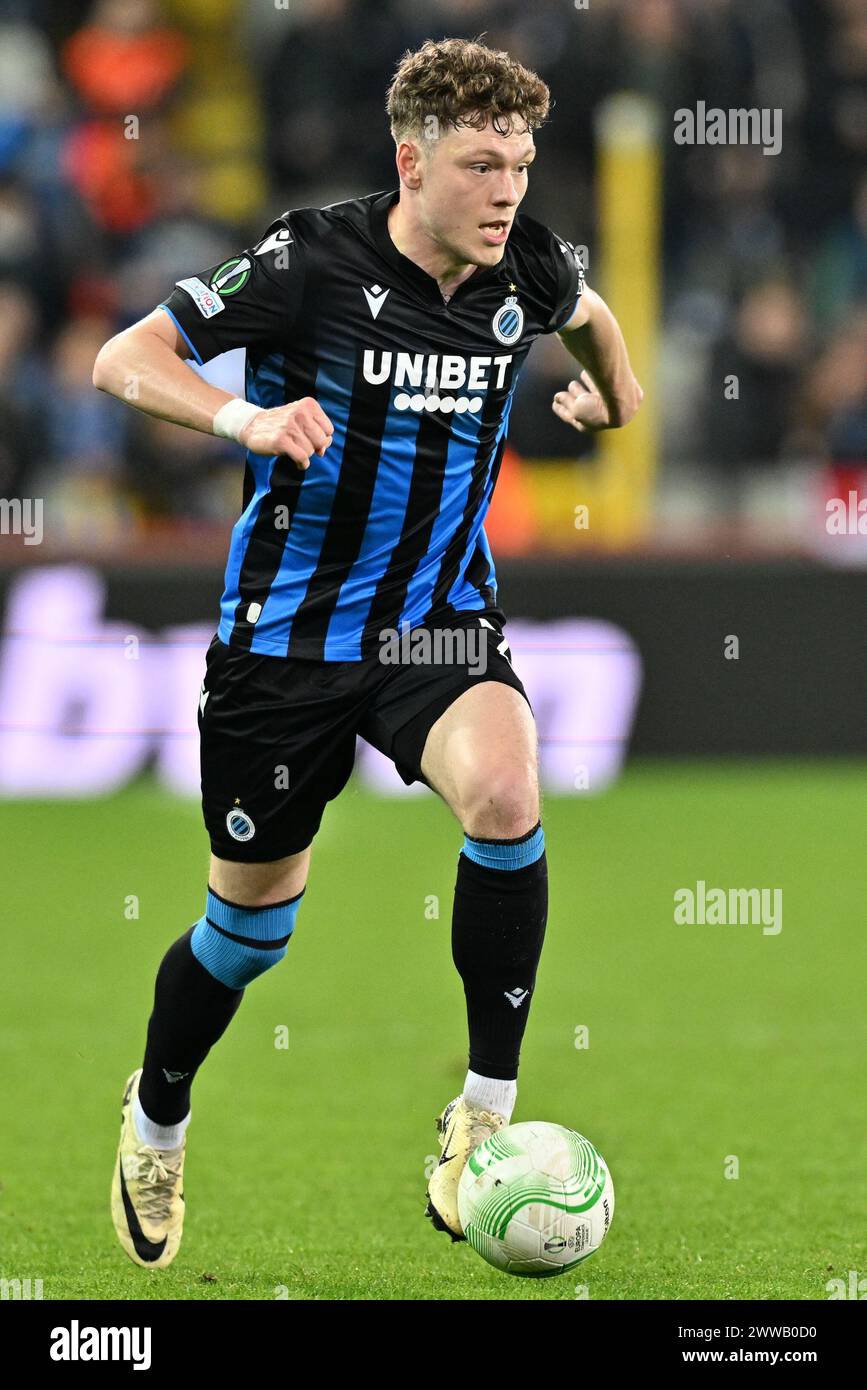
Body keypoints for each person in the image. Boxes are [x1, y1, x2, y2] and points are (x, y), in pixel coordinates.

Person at [93, 36, 642, 1269]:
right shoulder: (309, 257)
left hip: (432, 624)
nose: (508, 190)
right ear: (413, 162)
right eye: (482, 164)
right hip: (282, 646)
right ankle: (157, 1114)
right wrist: (244, 414)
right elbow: (122, 358)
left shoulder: (530, 267)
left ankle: (479, 1117)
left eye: (521, 163)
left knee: (507, 793)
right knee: (247, 936)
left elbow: (595, 322)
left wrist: (613, 403)